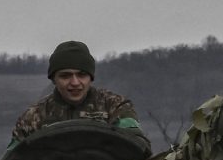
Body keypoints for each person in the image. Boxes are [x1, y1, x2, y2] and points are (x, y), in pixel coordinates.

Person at [10, 40, 142, 143]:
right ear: (54, 79)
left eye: (82, 75)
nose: (75, 82)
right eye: (65, 76)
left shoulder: (114, 106)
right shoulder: (34, 117)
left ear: (91, 77)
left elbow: (138, 147)